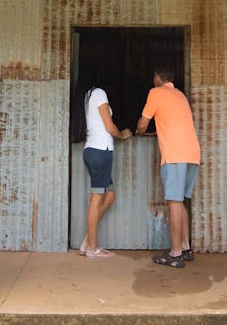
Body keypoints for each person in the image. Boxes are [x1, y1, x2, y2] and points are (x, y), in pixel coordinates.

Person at [136, 67, 200, 269]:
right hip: (192, 153)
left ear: (158, 78)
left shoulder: (156, 92)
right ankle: (185, 247)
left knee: (174, 202)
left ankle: (175, 254)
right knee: (180, 201)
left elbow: (143, 123)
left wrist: (139, 130)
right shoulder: (180, 95)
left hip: (175, 154)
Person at [70, 65, 132, 259]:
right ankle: (93, 248)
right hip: (100, 151)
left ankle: (87, 241)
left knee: (109, 196)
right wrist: (122, 134)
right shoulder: (98, 93)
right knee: (97, 199)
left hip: (93, 151)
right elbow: (109, 125)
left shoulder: (86, 96)